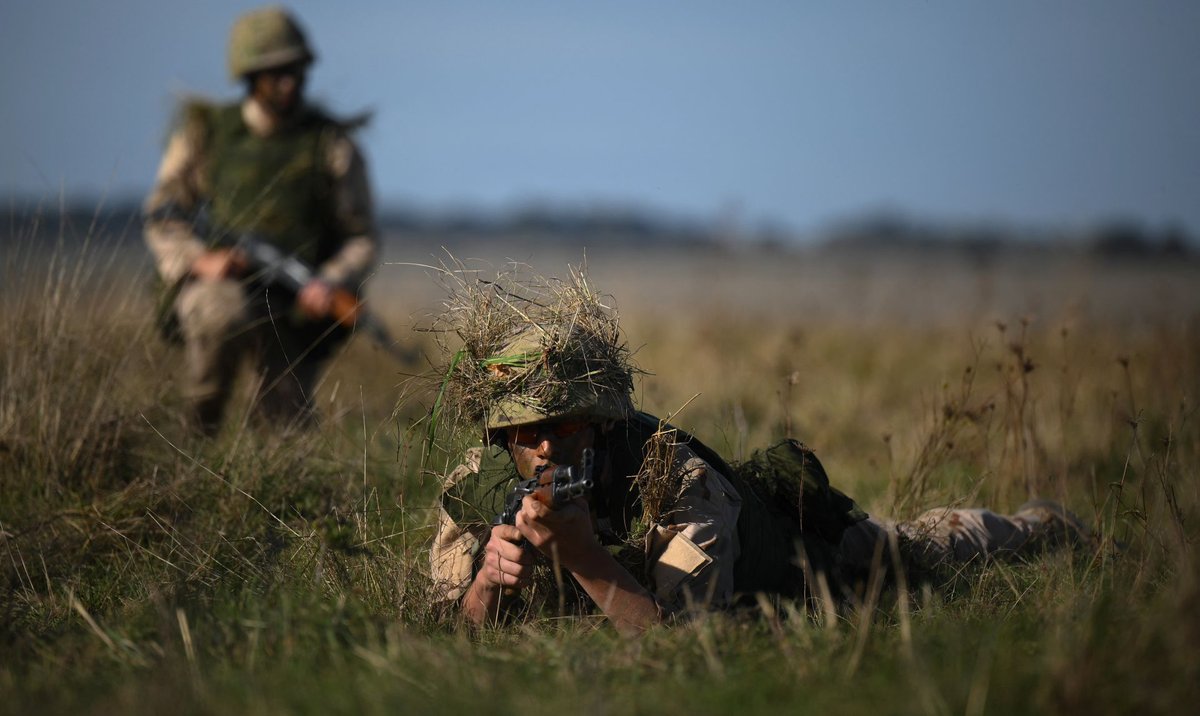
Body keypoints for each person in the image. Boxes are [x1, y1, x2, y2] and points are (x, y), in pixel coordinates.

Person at [428, 272, 1093, 636]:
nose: (545, 446)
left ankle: (1046, 526)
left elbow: (682, 649)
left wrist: (583, 557)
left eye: (567, 426)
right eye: (524, 432)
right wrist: (487, 581)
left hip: (794, 559)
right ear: (498, 438)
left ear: (601, 426)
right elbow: (451, 634)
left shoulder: (674, 480)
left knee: (924, 545)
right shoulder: (480, 486)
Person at [143, 5, 377, 434]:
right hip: (222, 286)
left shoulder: (329, 144)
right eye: (275, 73)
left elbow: (360, 237)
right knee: (219, 311)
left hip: (296, 301)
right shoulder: (208, 133)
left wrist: (330, 279)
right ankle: (196, 436)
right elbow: (163, 213)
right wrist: (197, 259)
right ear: (250, 77)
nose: (288, 84)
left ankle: (260, 485)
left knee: (286, 432)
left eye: (295, 71)